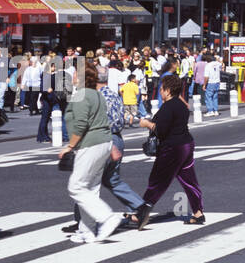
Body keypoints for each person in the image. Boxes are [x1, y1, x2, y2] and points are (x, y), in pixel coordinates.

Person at [58, 62, 122, 244]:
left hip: (90, 144)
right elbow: (103, 121)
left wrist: (69, 146)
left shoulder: (81, 95)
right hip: (104, 143)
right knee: (91, 188)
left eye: (76, 75)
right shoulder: (97, 95)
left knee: (76, 186)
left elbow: (81, 125)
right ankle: (86, 231)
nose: (73, 78)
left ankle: (107, 217)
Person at [136, 74, 204, 230]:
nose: (160, 92)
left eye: (161, 89)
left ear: (167, 90)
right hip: (187, 144)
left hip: (172, 147)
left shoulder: (168, 106)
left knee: (157, 180)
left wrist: (147, 123)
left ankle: (141, 212)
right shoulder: (182, 105)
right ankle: (198, 212)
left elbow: (161, 129)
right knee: (189, 180)